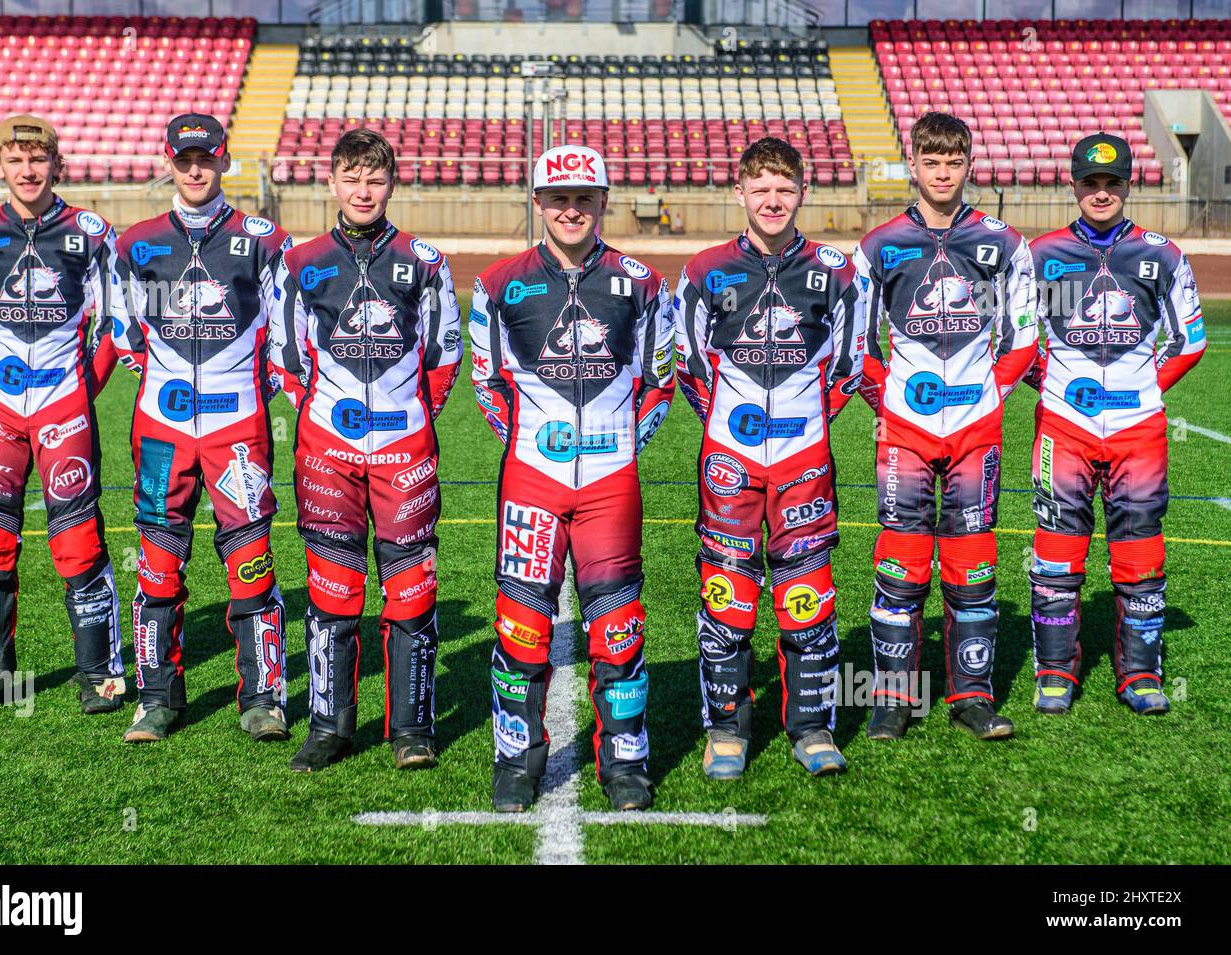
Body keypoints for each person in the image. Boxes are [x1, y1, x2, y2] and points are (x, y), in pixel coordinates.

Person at [469, 144, 675, 812]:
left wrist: (618, 448)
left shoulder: (642, 282)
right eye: (558, 199)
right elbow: (486, 381)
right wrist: (535, 446)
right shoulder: (497, 283)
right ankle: (516, 760)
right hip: (531, 479)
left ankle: (624, 760)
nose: (571, 210)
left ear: (603, 202)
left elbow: (661, 382)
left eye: (584, 198)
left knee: (619, 629)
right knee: (521, 628)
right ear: (538, 204)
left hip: (611, 487)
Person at [270, 129, 462, 772]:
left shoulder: (425, 262)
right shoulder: (299, 262)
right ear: (332, 183)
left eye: (374, 180)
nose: (363, 190)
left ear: (390, 186)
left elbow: (443, 356)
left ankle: (411, 729)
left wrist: (404, 421)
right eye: (352, 178)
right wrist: (328, 420)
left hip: (406, 449)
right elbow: (286, 358)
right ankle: (330, 727)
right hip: (326, 450)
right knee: (332, 591)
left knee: (411, 591)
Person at [674, 137, 865, 778]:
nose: (773, 201)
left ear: (801, 193)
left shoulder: (838, 272)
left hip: (804, 457)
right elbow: (691, 366)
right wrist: (735, 428)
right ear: (740, 195)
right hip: (728, 459)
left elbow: (847, 367)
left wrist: (799, 427)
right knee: (726, 598)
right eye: (761, 190)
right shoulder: (703, 270)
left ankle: (812, 728)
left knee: (807, 596)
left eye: (784, 190)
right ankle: (725, 729)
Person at [852, 111, 1037, 741]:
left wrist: (989, 393)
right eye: (930, 162)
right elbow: (855, 344)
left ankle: (972, 696)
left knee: (974, 565)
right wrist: (889, 400)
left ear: (967, 167)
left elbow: (1024, 337)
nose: (941, 173)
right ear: (914, 166)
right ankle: (893, 699)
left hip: (976, 430)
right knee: (900, 564)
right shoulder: (877, 246)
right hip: (903, 431)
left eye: (952, 162)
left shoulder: (1003, 243)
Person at [109, 113, 293, 744]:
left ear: (223, 160)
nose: (194, 169)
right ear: (168, 159)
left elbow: (287, 336)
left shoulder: (264, 238)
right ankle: (156, 698)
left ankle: (263, 698)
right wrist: (162, 379)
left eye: (206, 158)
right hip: (160, 427)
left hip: (237, 427)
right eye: (184, 158)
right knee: (158, 564)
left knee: (250, 562)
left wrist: (240, 389)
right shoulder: (136, 242)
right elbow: (122, 330)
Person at [0, 115, 126, 717]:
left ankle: (98, 675)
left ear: (57, 165)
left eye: (38, 159)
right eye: (16, 159)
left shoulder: (92, 232)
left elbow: (114, 324)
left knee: (77, 539)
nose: (28, 170)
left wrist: (79, 391)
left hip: (65, 407)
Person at [1023, 134, 1204, 715]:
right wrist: (1057, 384)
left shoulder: (1163, 255)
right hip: (1063, 428)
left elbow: (1190, 340)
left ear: (1129, 185)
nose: (1101, 193)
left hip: (1139, 431)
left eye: (1112, 183)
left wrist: (1143, 386)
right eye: (1090, 183)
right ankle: (1055, 672)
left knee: (1140, 550)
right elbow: (1016, 339)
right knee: (1056, 549)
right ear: (1073, 185)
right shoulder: (1040, 254)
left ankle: (1140, 675)